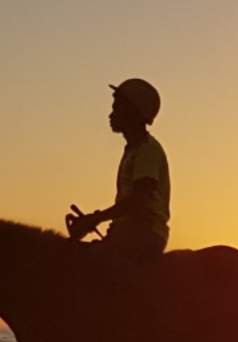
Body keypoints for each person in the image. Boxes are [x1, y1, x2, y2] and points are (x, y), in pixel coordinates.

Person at [66, 78, 171, 264]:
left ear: (133, 112)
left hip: (143, 235)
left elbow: (138, 201)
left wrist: (95, 218)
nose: (111, 114)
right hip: (128, 234)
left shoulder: (147, 150)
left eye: (117, 108)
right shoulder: (134, 150)